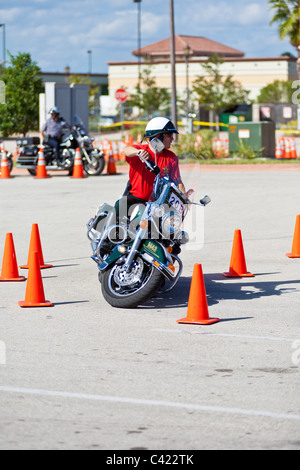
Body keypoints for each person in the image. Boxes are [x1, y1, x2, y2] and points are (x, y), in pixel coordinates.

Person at [115, 117, 186, 222]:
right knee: (120, 205)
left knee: (169, 232)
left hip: (157, 204)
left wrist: (183, 199)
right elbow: (126, 150)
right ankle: (110, 234)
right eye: (169, 135)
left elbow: (178, 182)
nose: (172, 139)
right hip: (135, 200)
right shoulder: (141, 151)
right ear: (158, 136)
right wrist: (137, 153)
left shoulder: (171, 158)